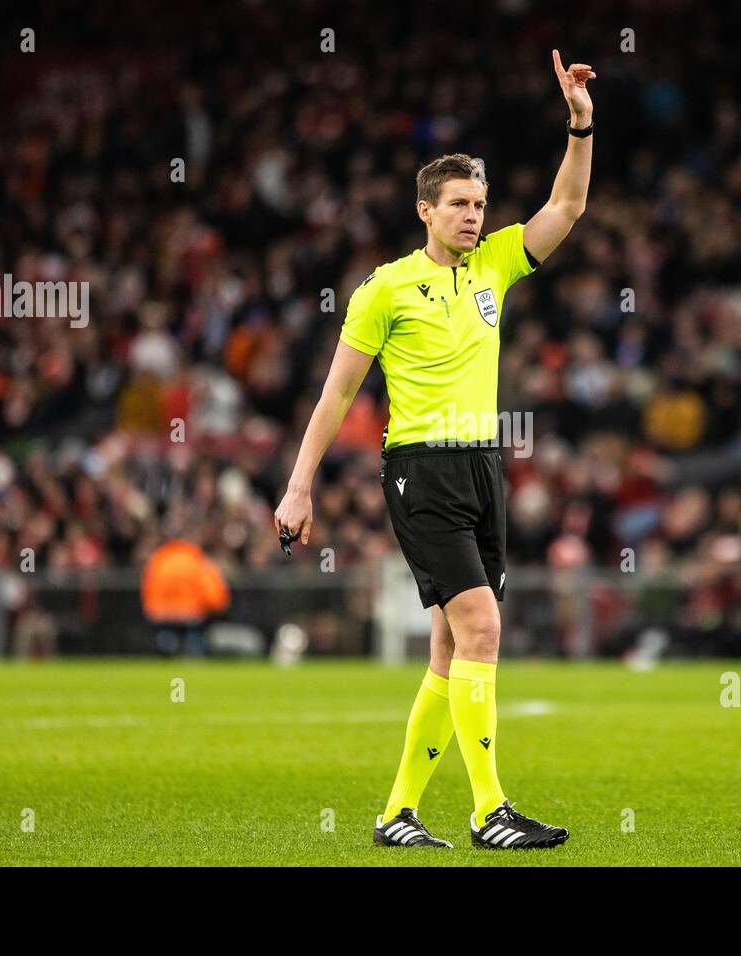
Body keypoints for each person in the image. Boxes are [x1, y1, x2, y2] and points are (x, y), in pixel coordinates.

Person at [274, 50, 594, 849]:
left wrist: (580, 122)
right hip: (421, 472)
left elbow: (569, 205)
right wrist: (299, 488)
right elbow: (337, 395)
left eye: (480, 203)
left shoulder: (495, 264)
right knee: (482, 626)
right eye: (458, 204)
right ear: (425, 210)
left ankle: (396, 814)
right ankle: (490, 811)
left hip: (484, 467)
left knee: (452, 648)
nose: (473, 216)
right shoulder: (384, 289)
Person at [141, 538, 230, 657]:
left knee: (166, 639)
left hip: (161, 613)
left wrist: (152, 609)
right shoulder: (196, 559)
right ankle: (193, 655)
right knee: (193, 639)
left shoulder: (159, 559)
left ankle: (167, 651)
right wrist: (215, 607)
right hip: (191, 613)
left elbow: (148, 586)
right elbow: (211, 590)